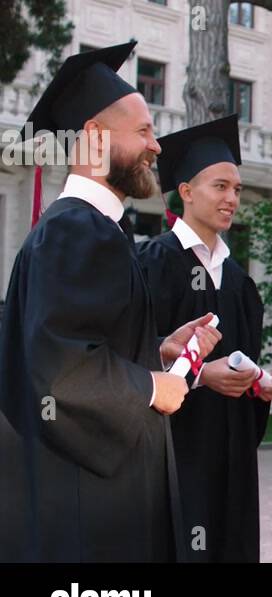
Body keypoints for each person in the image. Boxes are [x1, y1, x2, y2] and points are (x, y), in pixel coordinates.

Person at [0, 42, 220, 562]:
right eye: (143, 131)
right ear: (96, 138)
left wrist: (159, 352)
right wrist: (150, 386)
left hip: (95, 496)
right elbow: (59, 370)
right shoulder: (78, 230)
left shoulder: (92, 227)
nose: (157, 146)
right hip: (88, 510)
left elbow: (85, 343)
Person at [138, 114, 272, 562]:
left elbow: (246, 359)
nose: (231, 199)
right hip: (173, 455)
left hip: (233, 457)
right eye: (220, 186)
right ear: (185, 192)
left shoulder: (239, 281)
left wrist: (258, 383)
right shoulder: (152, 263)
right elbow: (131, 358)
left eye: (237, 190)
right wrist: (201, 377)